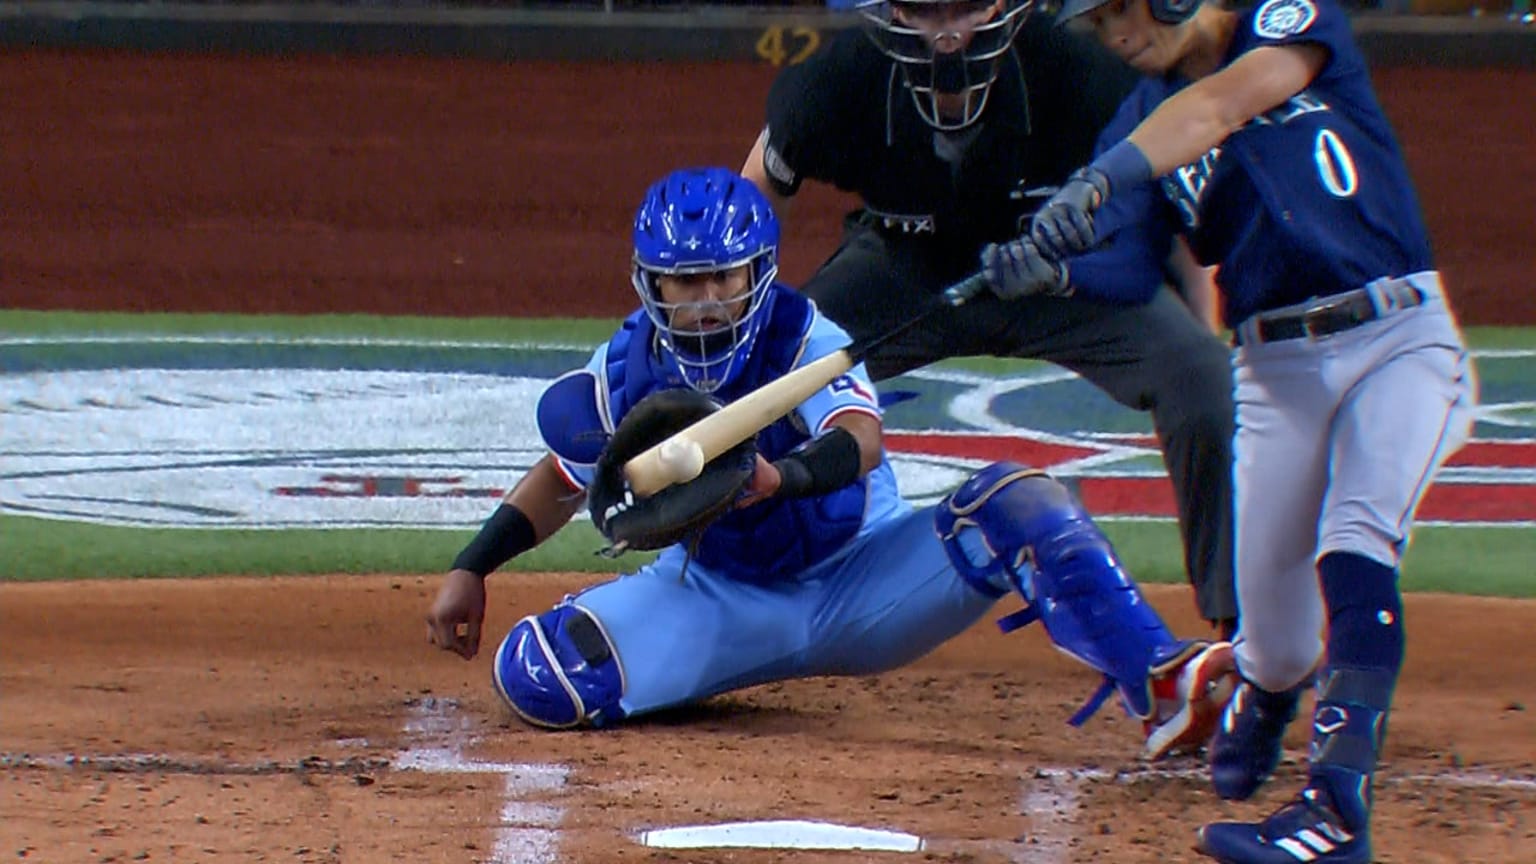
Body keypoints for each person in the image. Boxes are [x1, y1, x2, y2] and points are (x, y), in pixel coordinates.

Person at [425, 166, 1236, 761]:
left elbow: (859, 437)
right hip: (722, 600)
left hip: (866, 579)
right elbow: (565, 478)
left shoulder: (803, 335)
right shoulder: (626, 366)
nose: (704, 301)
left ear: (757, 274)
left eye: (720, 278)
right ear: (651, 286)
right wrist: (473, 564)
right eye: (683, 284)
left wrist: (780, 480)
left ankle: (1159, 679)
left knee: (1021, 501)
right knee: (541, 675)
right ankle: (704, 672)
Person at [1007, 0, 1479, 860]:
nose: (1117, 37)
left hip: (1399, 338)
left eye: (1122, 8)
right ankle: (1263, 689)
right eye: (1098, 22)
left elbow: (1222, 104)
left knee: (1356, 538)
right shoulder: (1139, 121)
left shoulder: (1286, 19)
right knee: (1281, 644)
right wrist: (1051, 262)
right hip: (1274, 374)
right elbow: (1123, 264)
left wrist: (1102, 178)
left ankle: (1335, 811)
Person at [738, 0, 1240, 641]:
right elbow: (757, 190)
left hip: (1062, 275)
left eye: (967, 9)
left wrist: (1205, 338)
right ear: (892, 11)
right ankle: (748, 585)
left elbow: (1172, 217)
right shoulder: (842, 76)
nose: (948, 37)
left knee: (1202, 377)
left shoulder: (1082, 68)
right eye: (925, 11)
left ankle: (1237, 620)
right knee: (768, 381)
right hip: (904, 268)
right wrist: (741, 323)